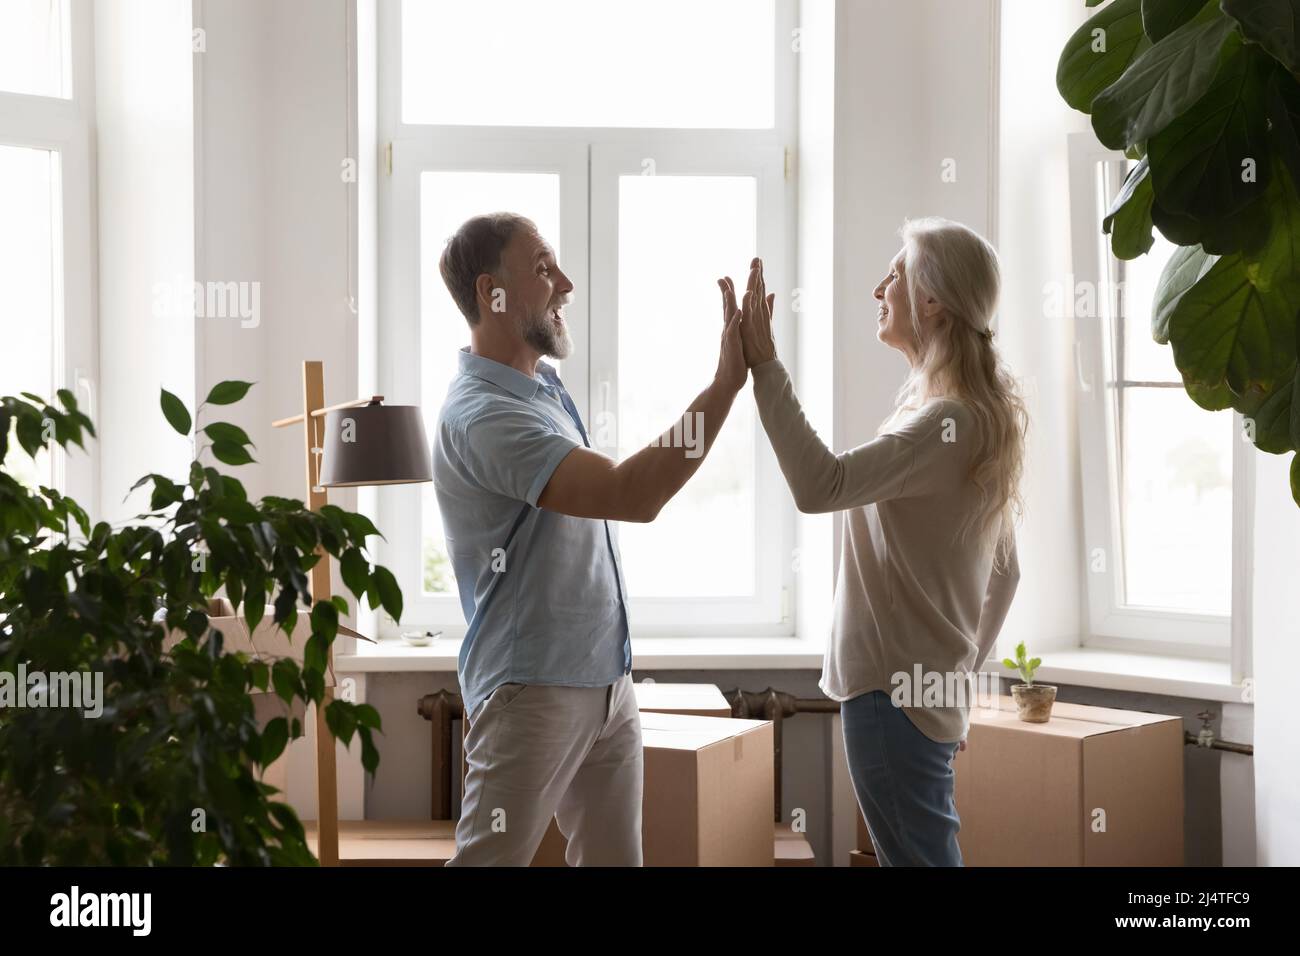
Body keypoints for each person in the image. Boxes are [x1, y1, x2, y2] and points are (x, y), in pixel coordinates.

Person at [433, 212, 747, 865]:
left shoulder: (540, 387)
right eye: (544, 269)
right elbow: (631, 494)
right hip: (532, 689)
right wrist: (724, 386)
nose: (566, 284)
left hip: (605, 681)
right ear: (492, 292)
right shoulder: (484, 414)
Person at [730, 217, 1026, 866]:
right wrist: (954, 680)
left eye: (894, 274)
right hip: (921, 696)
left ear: (931, 302)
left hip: (892, 696)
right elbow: (1008, 575)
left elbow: (820, 484)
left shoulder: (942, 422)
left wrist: (765, 366)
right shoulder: (972, 417)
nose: (878, 288)